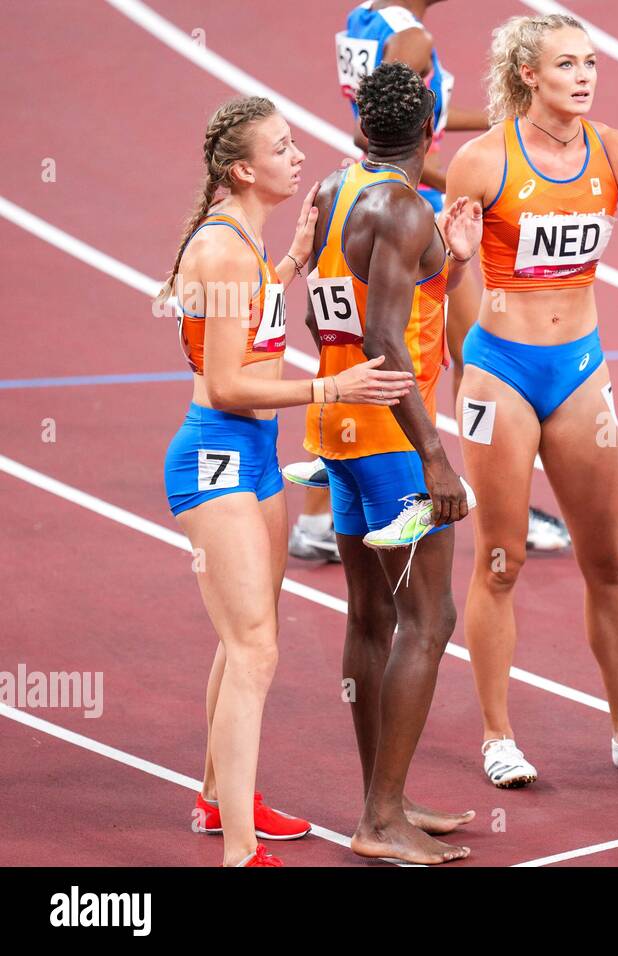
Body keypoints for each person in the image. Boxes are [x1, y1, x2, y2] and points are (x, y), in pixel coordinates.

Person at [442, 13, 618, 787]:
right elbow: (440, 271)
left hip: (580, 370)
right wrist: (453, 295)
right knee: (502, 560)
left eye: (591, 62)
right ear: (530, 74)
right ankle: (498, 736)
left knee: (611, 561)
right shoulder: (482, 160)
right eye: (568, 65)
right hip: (499, 370)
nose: (585, 76)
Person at [160, 95, 414, 866]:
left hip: (253, 457)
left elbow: (240, 320)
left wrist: (296, 260)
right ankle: (240, 849)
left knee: (245, 638)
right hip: (219, 458)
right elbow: (230, 384)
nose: (299, 156)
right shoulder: (225, 249)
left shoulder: (243, 243)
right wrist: (331, 391)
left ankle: (218, 800)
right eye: (282, 147)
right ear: (243, 169)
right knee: (255, 651)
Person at [302, 62, 480, 864]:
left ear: (363, 126)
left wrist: (457, 259)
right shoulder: (404, 208)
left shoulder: (338, 187)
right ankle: (379, 820)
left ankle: (387, 796)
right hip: (391, 437)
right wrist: (435, 458)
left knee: (370, 618)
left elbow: (318, 303)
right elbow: (383, 338)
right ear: (433, 129)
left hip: (337, 425)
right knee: (429, 618)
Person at [322, 0, 570, 552]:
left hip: (379, 196)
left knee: (405, 344)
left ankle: (330, 497)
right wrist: (467, 182)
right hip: (417, 208)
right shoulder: (412, 40)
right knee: (481, 358)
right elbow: (387, 133)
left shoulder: (367, 19)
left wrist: (505, 122)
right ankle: (496, 499)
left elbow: (390, 119)